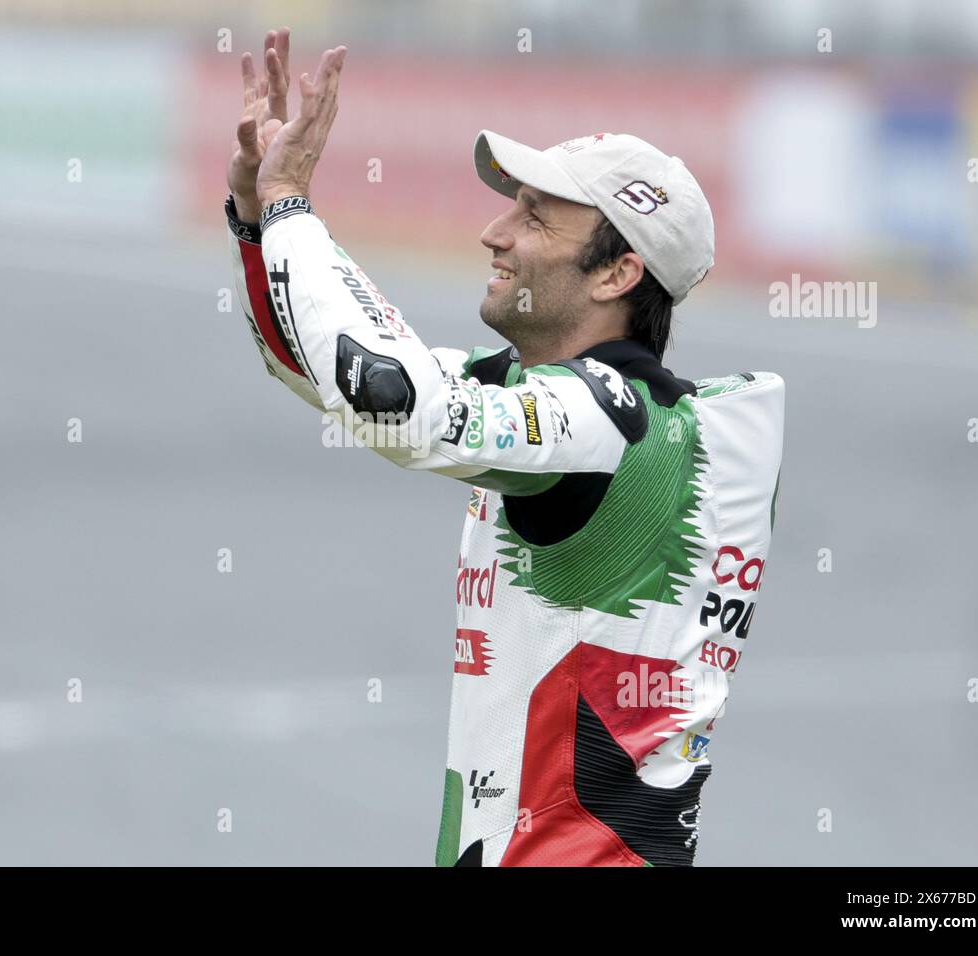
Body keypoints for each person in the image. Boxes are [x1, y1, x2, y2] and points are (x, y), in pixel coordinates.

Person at [224, 30, 784, 866]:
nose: (494, 231)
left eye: (534, 216)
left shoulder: (607, 424)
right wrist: (255, 218)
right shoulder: (591, 409)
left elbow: (391, 399)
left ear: (616, 275)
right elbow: (319, 369)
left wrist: (293, 205)